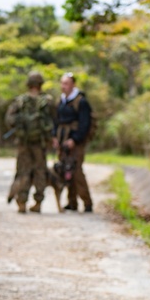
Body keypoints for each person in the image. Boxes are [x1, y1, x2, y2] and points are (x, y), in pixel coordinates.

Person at [5, 72, 55, 213]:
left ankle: (22, 202)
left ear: (28, 84)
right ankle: (38, 203)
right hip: (41, 143)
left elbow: (9, 119)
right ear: (40, 84)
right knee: (40, 171)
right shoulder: (48, 101)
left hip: (24, 142)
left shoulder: (20, 101)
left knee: (23, 171)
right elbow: (54, 120)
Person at [53, 73, 93, 212]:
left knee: (76, 171)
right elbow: (56, 121)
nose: (63, 86)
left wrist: (75, 139)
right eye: (62, 83)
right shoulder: (61, 101)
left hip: (76, 142)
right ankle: (72, 202)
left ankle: (87, 203)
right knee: (65, 171)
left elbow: (85, 124)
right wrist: (55, 137)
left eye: (66, 83)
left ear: (73, 84)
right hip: (62, 140)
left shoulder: (81, 101)